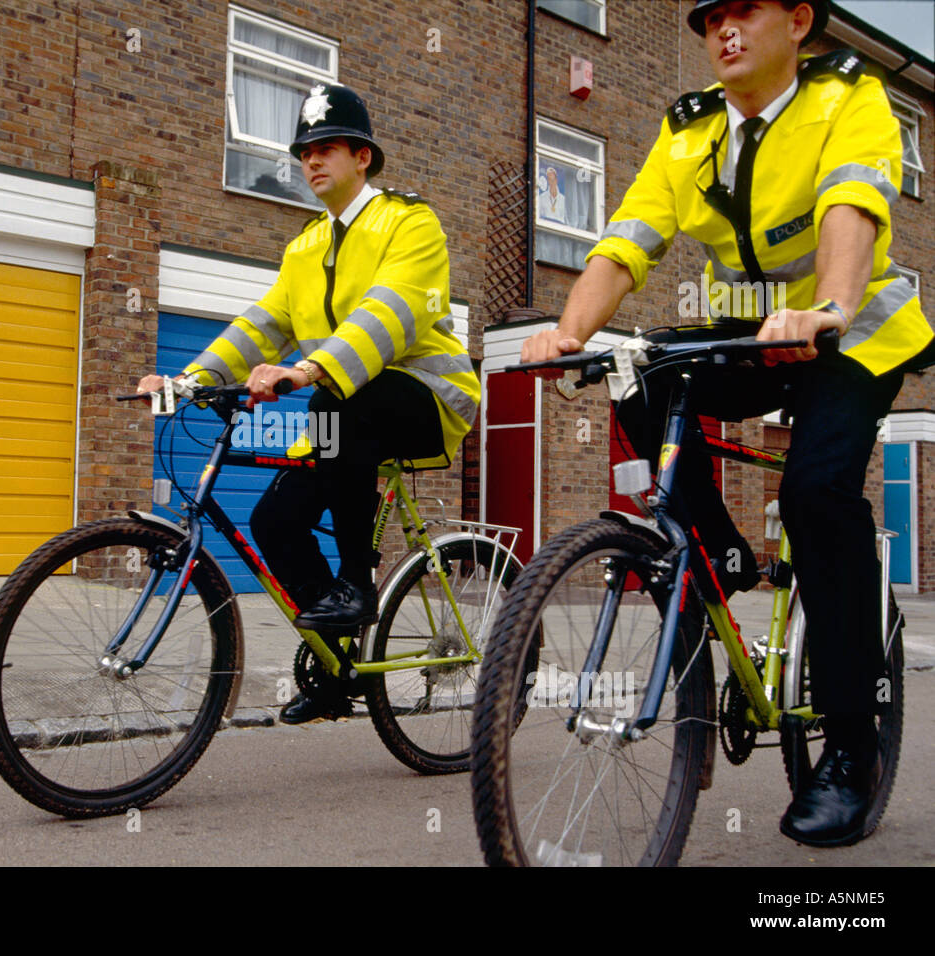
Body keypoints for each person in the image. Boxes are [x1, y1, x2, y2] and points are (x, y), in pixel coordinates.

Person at [520, 0, 933, 848]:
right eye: (711, 18)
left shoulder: (845, 97)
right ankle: (719, 550)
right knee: (633, 376)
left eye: (746, 10)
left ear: (799, 21)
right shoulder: (691, 128)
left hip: (854, 329)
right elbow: (628, 238)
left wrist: (827, 306)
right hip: (752, 327)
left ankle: (852, 748)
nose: (724, 30)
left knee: (818, 496)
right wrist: (572, 329)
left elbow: (854, 202)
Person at [136, 83, 480, 724]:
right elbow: (262, 326)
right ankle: (335, 665)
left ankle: (357, 582)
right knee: (274, 521)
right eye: (304, 152)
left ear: (363, 158)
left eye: (327, 148)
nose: (312, 161)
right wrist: (187, 379)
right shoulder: (303, 247)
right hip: (344, 407)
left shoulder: (409, 222)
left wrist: (310, 369)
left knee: (347, 399)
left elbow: (392, 314)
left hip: (428, 398)